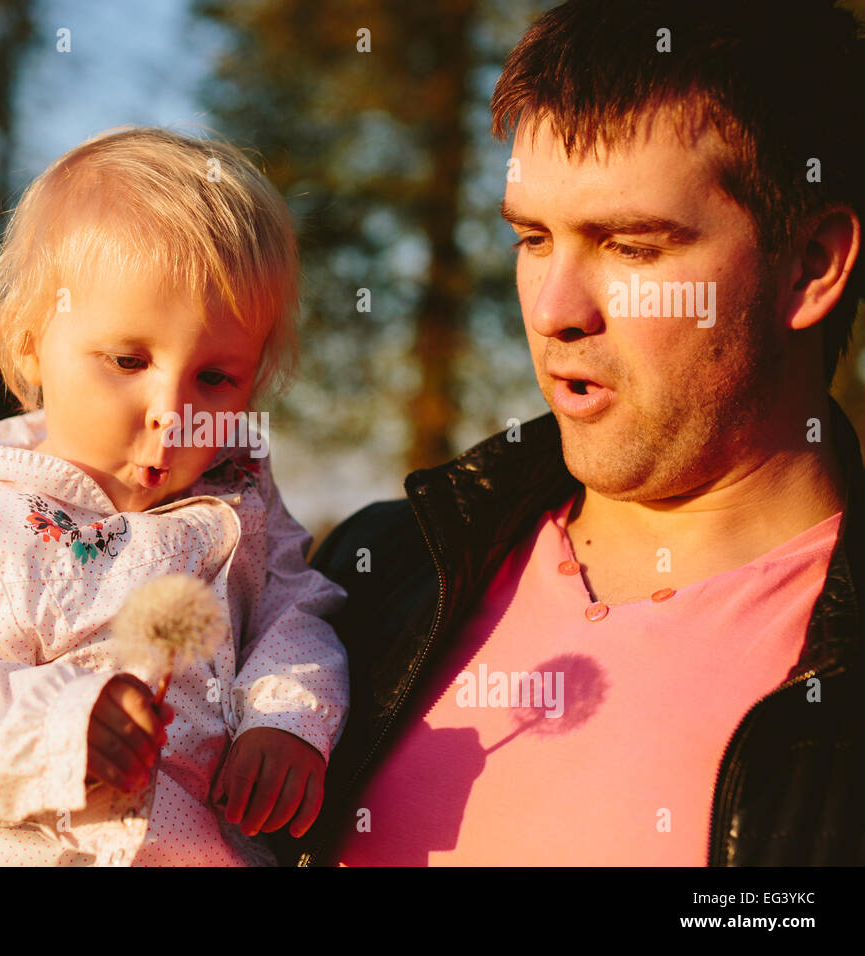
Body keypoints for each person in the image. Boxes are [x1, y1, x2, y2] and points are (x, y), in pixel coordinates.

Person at [280, 0, 865, 866]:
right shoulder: (367, 584)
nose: (554, 311)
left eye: (630, 247)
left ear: (811, 265)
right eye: (531, 237)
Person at [0, 128, 348, 866]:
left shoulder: (242, 501)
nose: (173, 413)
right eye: (128, 359)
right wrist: (62, 725)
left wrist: (286, 718)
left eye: (216, 378)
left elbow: (295, 611)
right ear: (27, 342)